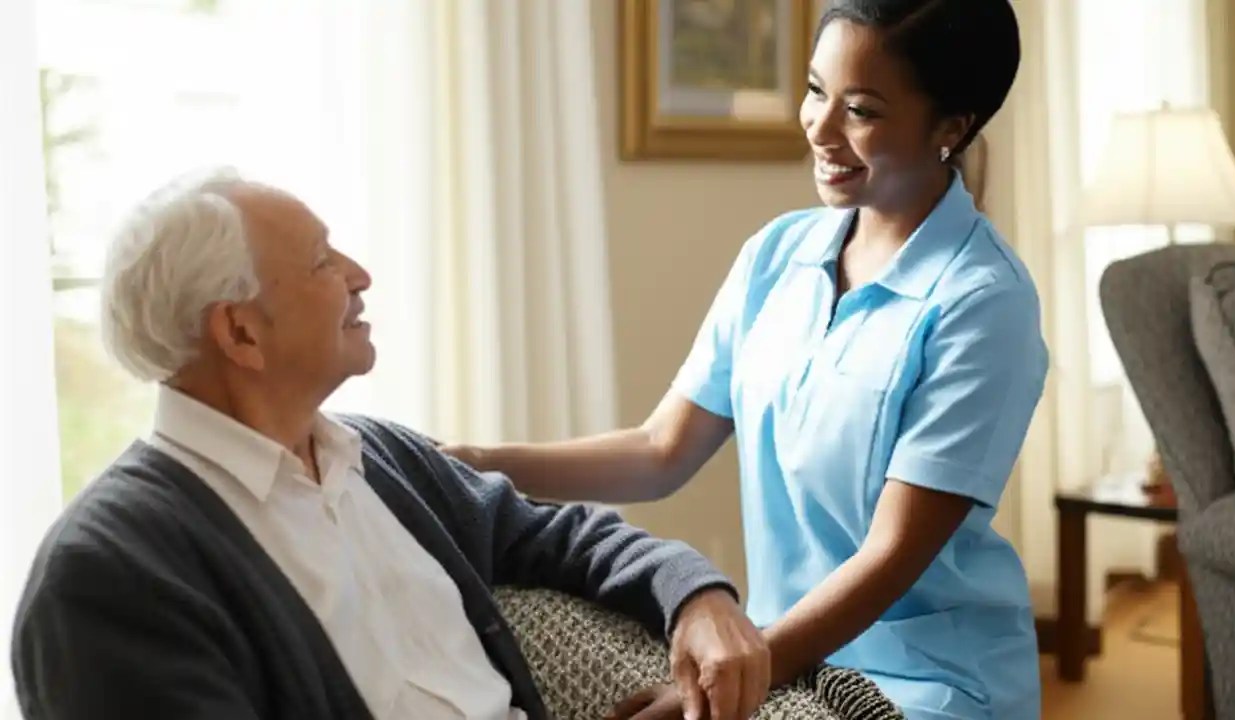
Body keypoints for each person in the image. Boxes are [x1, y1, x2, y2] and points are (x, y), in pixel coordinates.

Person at [442, 1, 1046, 718]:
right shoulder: (777, 255)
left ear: (952, 126)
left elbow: (888, 561)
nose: (820, 128)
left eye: (861, 110)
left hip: (929, 685)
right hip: (781, 658)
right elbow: (660, 451)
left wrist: (708, 688)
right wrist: (468, 464)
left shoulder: (982, 303)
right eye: (816, 91)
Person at [9, 170, 771, 720]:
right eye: (321, 261)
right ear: (240, 331)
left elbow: (561, 535)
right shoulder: (106, 576)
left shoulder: (376, 458)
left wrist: (696, 599)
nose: (359, 276)